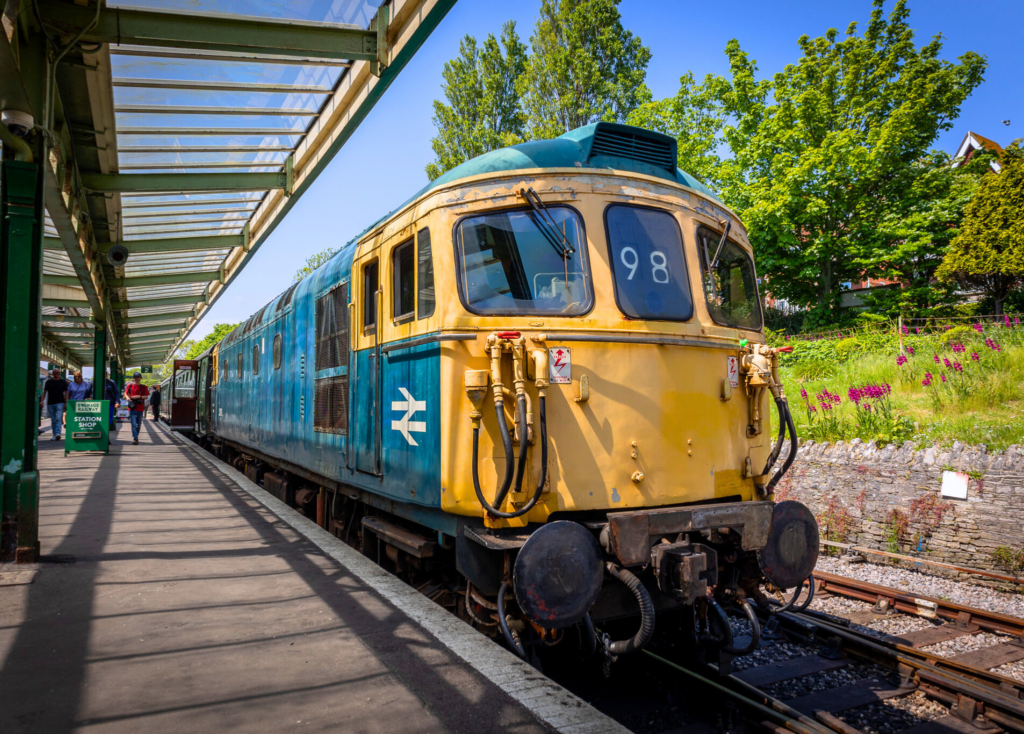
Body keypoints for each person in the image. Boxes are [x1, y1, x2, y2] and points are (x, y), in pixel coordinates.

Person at [40, 368, 69, 441]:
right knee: (53, 419)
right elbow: (45, 392)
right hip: (50, 403)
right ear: (53, 374)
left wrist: (66, 402)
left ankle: (58, 433)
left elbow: (66, 393)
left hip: (60, 402)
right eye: (56, 373)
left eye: (59, 373)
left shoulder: (63, 382)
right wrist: (42, 401)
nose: (58, 374)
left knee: (58, 418)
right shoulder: (49, 382)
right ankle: (54, 434)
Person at [123, 373, 149, 445]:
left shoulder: (144, 387)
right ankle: (135, 438)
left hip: (140, 408)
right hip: (132, 408)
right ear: (133, 378)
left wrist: (138, 397)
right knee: (134, 424)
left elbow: (146, 396)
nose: (136, 379)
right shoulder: (130, 386)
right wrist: (128, 398)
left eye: (138, 377)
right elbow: (125, 393)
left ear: (140, 378)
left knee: (139, 424)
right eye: (135, 378)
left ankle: (136, 436)